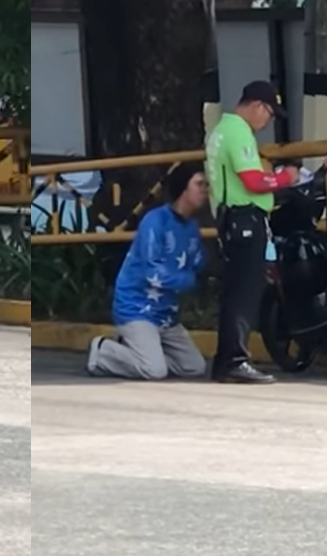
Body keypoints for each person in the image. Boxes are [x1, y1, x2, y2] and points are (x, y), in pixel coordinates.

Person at [204, 80, 297, 384]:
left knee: (235, 291)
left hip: (231, 220)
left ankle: (227, 361)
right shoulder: (238, 132)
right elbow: (254, 182)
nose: (268, 121)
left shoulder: (221, 130)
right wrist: (286, 177)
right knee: (244, 294)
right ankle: (235, 360)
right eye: (269, 113)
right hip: (245, 220)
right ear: (257, 106)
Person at [87, 164, 210, 379]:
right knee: (154, 371)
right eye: (199, 184)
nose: (205, 190)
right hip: (136, 308)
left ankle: (139, 352)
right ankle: (103, 351)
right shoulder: (155, 221)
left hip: (166, 315)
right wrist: (191, 280)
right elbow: (153, 273)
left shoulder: (192, 228)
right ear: (183, 188)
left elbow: (198, 263)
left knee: (194, 367)